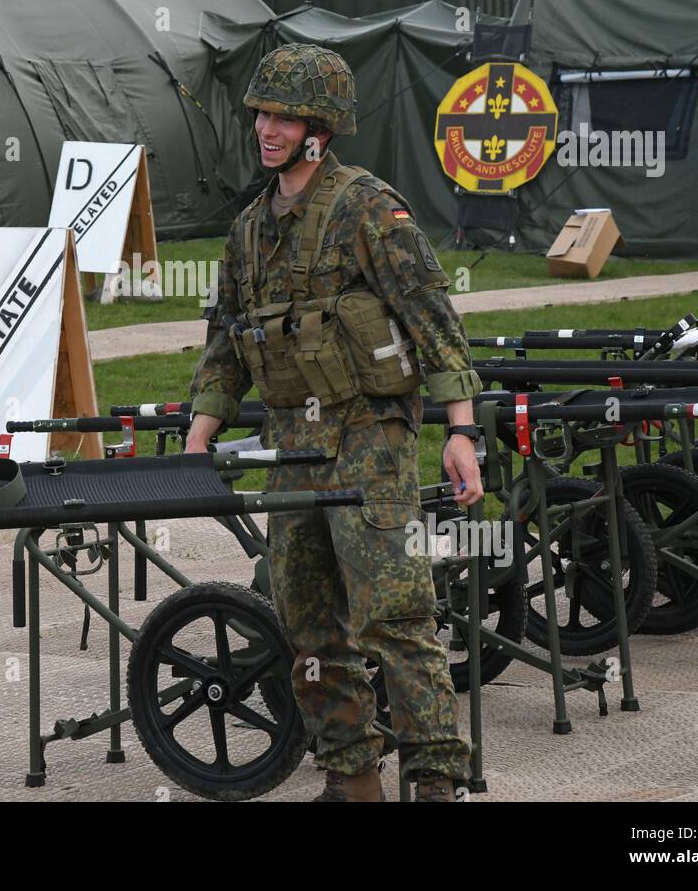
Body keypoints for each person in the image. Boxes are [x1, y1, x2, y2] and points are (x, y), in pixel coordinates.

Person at [183, 44, 484, 802]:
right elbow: (227, 341)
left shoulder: (368, 209)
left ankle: (436, 783)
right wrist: (199, 434)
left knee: (396, 617)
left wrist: (460, 430)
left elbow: (433, 319)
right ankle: (353, 782)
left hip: (368, 441)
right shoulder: (250, 229)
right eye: (261, 113)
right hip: (293, 448)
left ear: (321, 126)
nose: (267, 127)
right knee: (310, 629)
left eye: (285, 115)